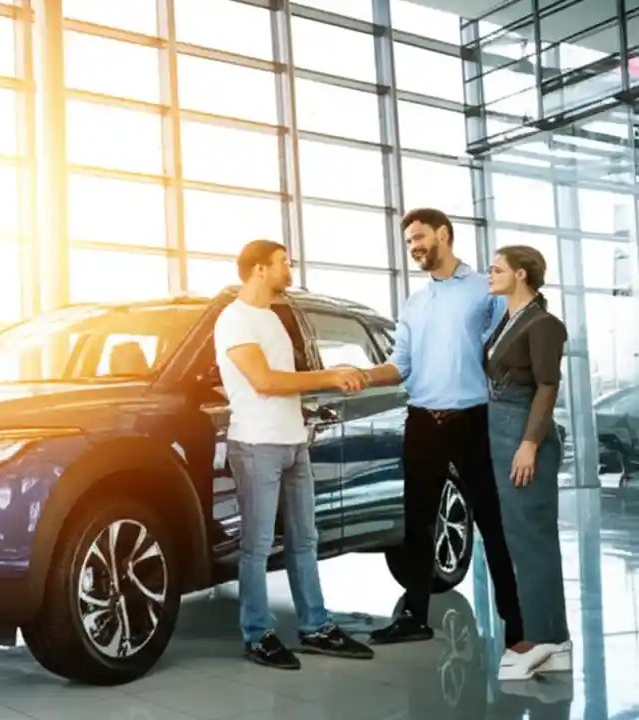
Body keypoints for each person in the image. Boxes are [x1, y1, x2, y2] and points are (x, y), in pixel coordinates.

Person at [362, 209, 525, 651]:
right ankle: (415, 616)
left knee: (492, 522)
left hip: (472, 419)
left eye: (419, 237)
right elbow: (400, 366)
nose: (414, 246)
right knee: (417, 524)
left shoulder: (483, 290)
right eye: (409, 241)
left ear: (444, 235)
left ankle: (517, 624)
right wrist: (360, 375)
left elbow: (508, 344)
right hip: (422, 420)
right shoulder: (415, 303)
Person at [215, 239, 375, 670]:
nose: (290, 269)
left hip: (291, 442)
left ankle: (315, 627)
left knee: (305, 539)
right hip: (255, 445)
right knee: (258, 545)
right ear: (259, 270)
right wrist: (331, 375)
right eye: (284, 263)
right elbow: (264, 381)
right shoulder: (234, 320)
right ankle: (257, 634)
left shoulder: (272, 318)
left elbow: (283, 383)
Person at [484, 245, 571, 680]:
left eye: (497, 268)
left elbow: (547, 386)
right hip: (503, 432)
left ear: (521, 274)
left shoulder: (544, 324)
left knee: (532, 541)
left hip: (522, 435)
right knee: (521, 539)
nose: (490, 273)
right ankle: (553, 638)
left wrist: (530, 443)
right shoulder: (510, 319)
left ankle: (545, 637)